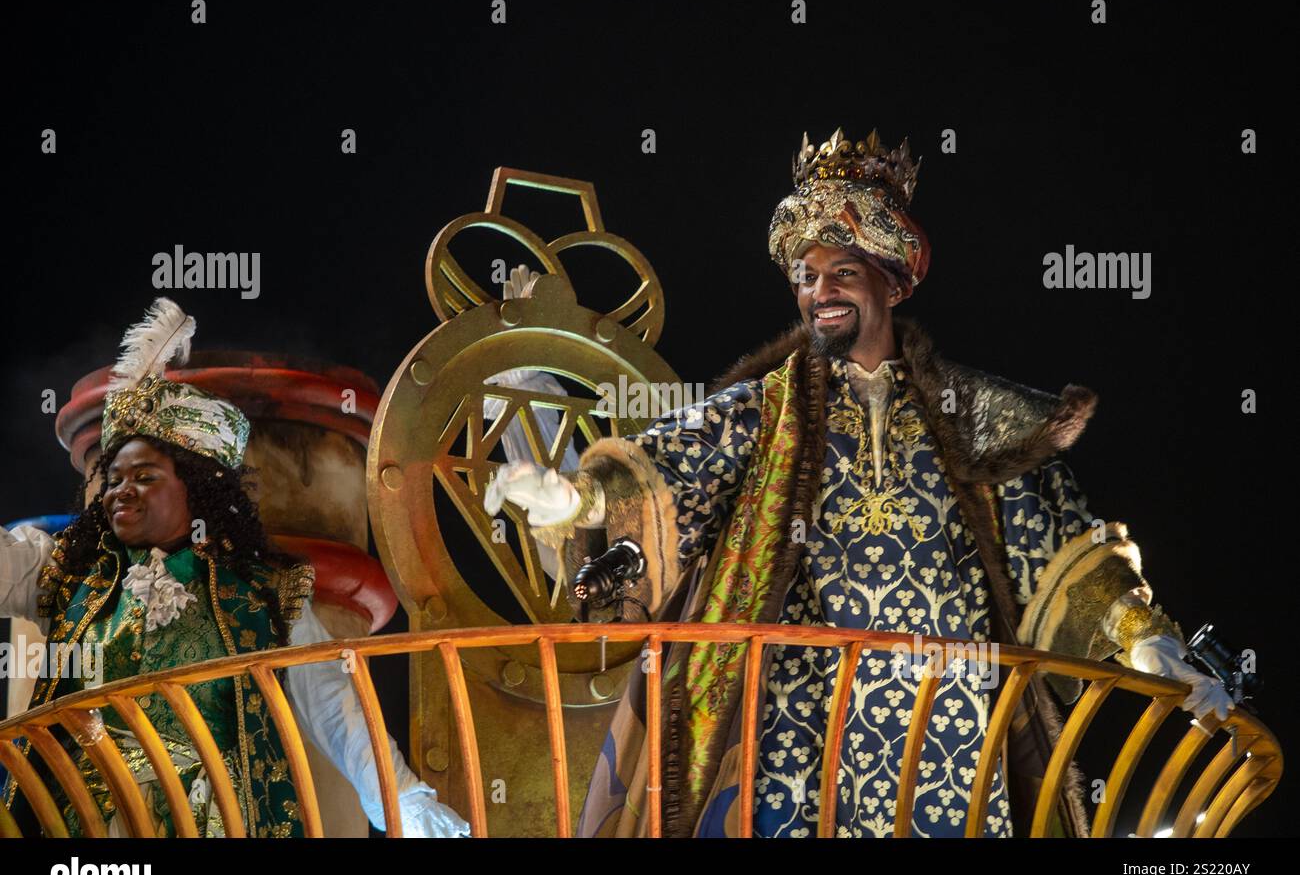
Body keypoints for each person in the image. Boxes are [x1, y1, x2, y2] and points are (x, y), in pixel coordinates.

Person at [483, 127, 1234, 838]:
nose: (821, 291)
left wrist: (1149, 644)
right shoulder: (765, 412)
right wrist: (574, 499)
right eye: (806, 277)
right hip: (803, 741)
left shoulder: (968, 415)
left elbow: (1056, 544)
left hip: (953, 739)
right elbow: (674, 474)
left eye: (843, 271)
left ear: (893, 283)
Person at [1, 297, 469, 837]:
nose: (119, 493)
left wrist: (405, 803)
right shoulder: (62, 572)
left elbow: (333, 706)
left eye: (144, 477)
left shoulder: (264, 593)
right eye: (113, 479)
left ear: (197, 492)